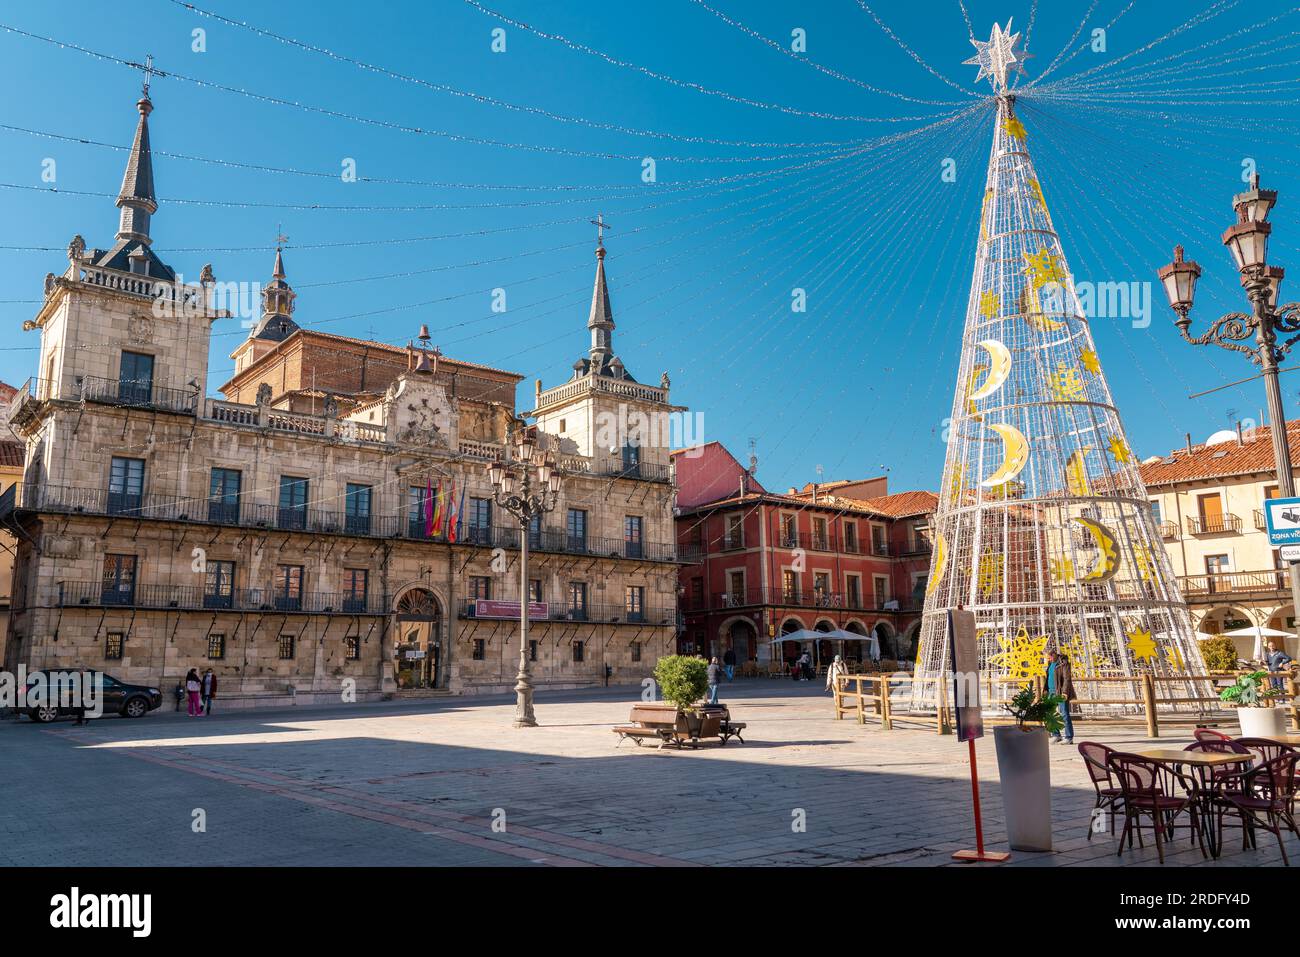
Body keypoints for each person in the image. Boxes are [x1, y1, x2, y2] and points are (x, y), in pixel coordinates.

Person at [1044, 648, 1076, 745]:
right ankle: (1056, 734)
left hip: (1060, 692)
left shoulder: (1063, 663)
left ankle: (1069, 737)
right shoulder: (1050, 664)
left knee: (1064, 714)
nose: (1048, 660)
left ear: (1053, 654)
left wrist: (1065, 692)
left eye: (1049, 657)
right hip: (1051, 692)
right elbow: (1049, 677)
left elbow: (1067, 679)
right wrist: (1046, 690)